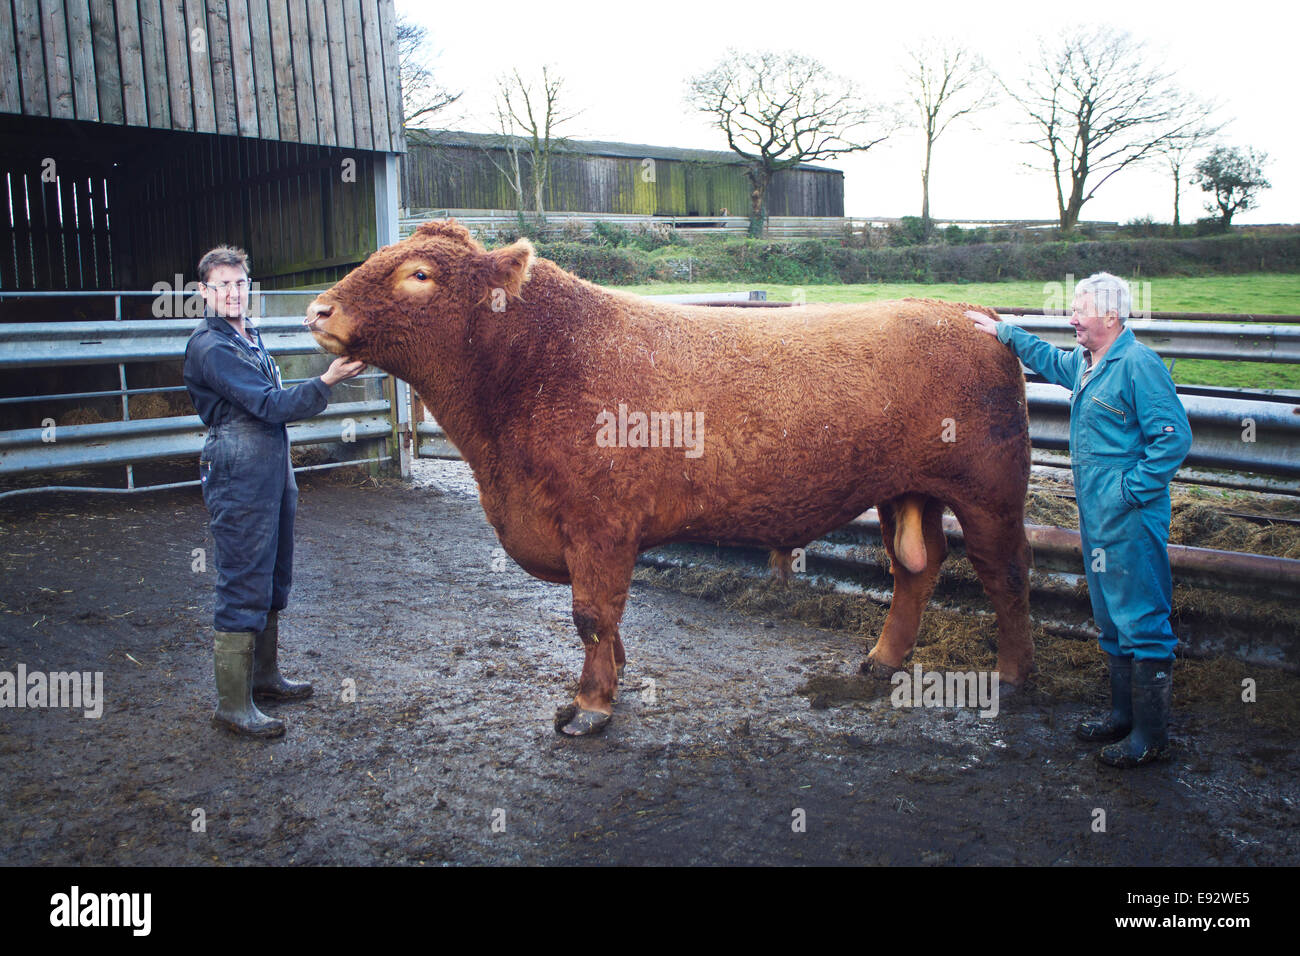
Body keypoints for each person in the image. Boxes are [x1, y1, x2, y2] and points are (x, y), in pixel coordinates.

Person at [965, 273, 1192, 768]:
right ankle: (1121, 715)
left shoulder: (1137, 365)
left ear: (1110, 317)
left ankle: (1151, 737)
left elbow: (1173, 439)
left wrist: (1129, 491)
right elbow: (1048, 359)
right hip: (1097, 515)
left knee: (1141, 617)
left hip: (1129, 514)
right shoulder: (1090, 365)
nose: (1072, 318)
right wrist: (1003, 333)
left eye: (1079, 310)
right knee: (1111, 617)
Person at [184, 245, 365, 737]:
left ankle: (263, 677)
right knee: (243, 574)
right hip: (238, 462)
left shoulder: (248, 335)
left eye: (239, 284)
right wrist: (326, 381)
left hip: (270, 459)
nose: (232, 293)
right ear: (204, 291)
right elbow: (267, 403)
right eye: (221, 285)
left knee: (274, 569)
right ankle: (232, 706)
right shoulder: (212, 346)